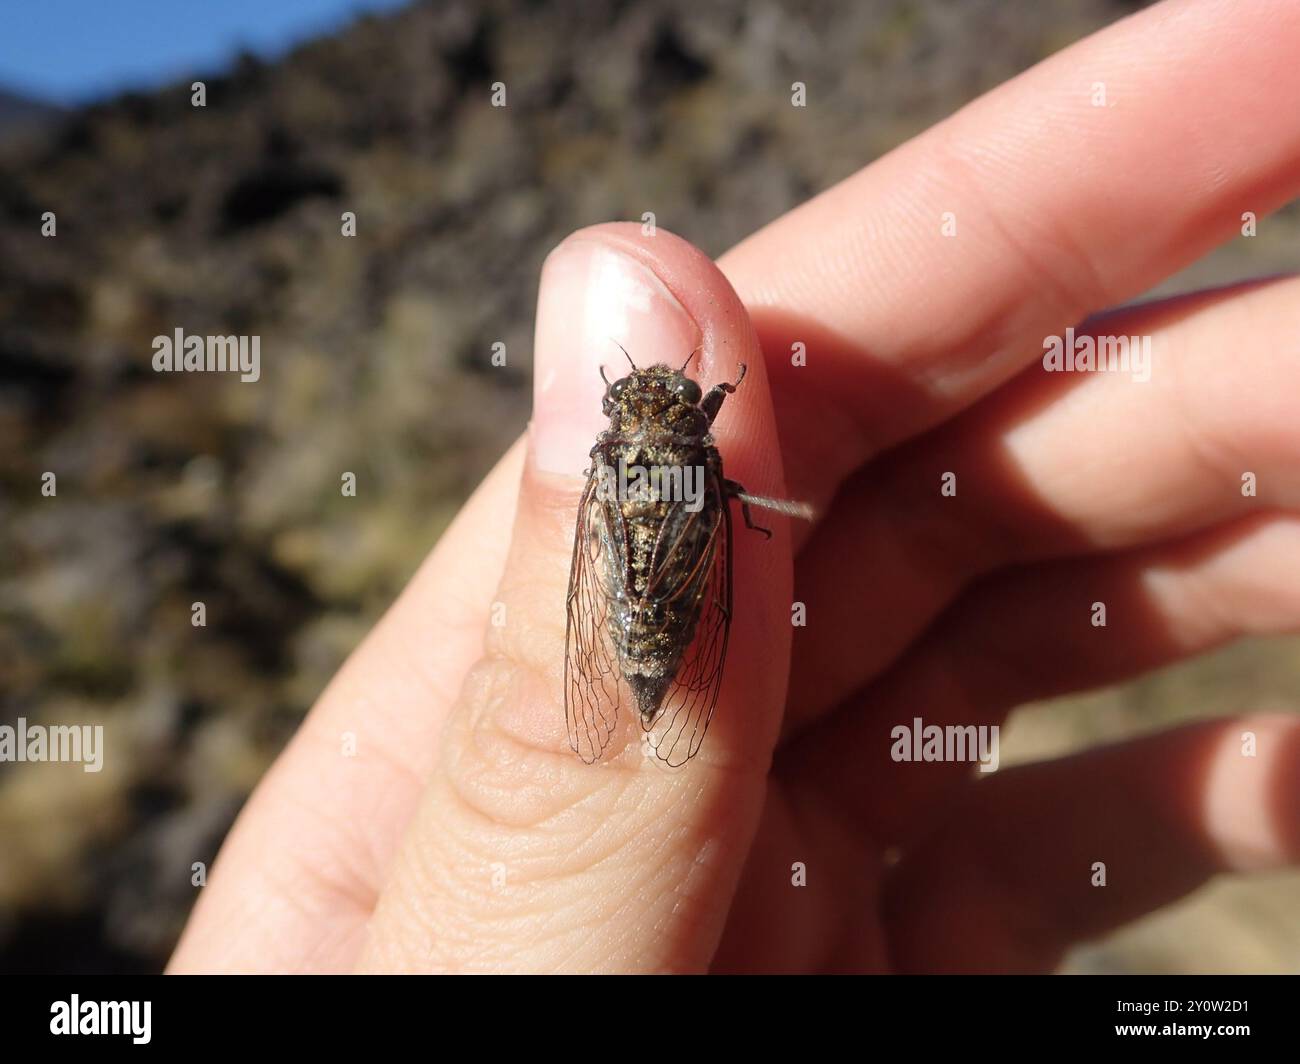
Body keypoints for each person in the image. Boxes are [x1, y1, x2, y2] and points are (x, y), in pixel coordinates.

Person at [169, 0, 1300, 973]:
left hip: (633, 581)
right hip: (666, 570)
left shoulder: (607, 460)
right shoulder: (696, 452)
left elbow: (622, 547)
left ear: (609, 422)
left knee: (647, 604)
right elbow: (722, 520)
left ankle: (638, 697)